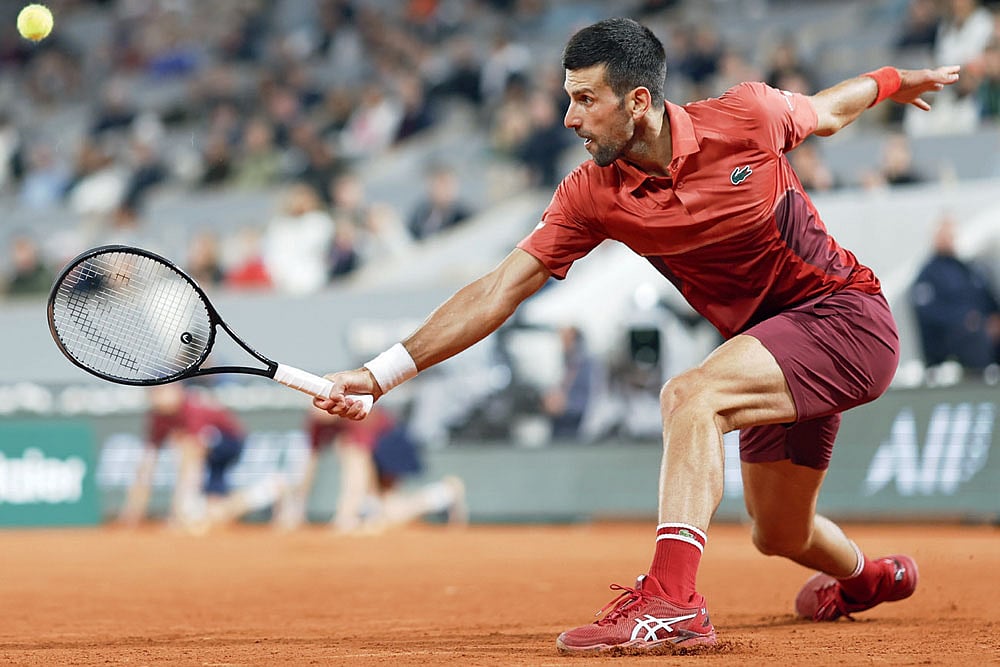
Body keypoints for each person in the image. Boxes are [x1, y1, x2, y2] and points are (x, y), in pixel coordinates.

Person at [312, 18, 959, 655]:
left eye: (585, 99)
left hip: (846, 316)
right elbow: (496, 289)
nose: (569, 118)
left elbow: (827, 110)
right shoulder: (593, 194)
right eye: (569, 97)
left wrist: (893, 78)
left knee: (691, 396)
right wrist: (379, 374)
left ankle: (672, 601)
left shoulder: (747, 116)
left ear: (638, 101)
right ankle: (867, 578)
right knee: (778, 531)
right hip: (770, 344)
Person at [120, 384, 286, 531]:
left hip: (228, 443)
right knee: (215, 512)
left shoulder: (192, 408)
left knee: (184, 445)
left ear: (176, 388)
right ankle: (269, 489)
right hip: (209, 456)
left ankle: (189, 509)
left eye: (162, 390)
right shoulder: (158, 417)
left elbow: (192, 458)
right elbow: (147, 464)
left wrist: (179, 509)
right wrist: (133, 511)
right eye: (153, 392)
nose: (158, 396)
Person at [275, 406, 467, 533]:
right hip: (376, 451)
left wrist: (347, 516)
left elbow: (359, 465)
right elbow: (310, 461)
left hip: (391, 445)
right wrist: (296, 508)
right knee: (390, 513)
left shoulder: (351, 412)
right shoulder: (316, 419)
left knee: (386, 515)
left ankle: (445, 493)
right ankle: (446, 493)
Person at [910, 214, 1000, 374]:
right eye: (944, 234)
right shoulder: (928, 274)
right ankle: (979, 388)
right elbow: (929, 311)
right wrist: (968, 319)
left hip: (982, 328)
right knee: (973, 334)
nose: (949, 239)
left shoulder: (969, 269)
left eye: (952, 234)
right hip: (951, 338)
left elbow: (987, 299)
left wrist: (993, 318)